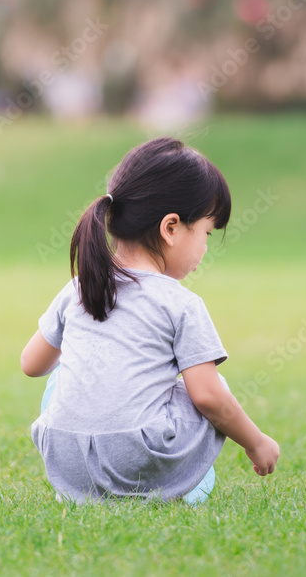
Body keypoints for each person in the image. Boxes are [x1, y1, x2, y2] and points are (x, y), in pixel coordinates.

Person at [20, 137, 279, 504]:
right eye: (206, 232)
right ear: (171, 228)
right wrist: (257, 442)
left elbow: (31, 365)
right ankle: (185, 486)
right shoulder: (181, 303)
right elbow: (207, 397)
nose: (206, 247)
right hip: (137, 458)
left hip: (65, 461)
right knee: (208, 382)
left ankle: (91, 491)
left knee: (61, 378)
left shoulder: (80, 286)